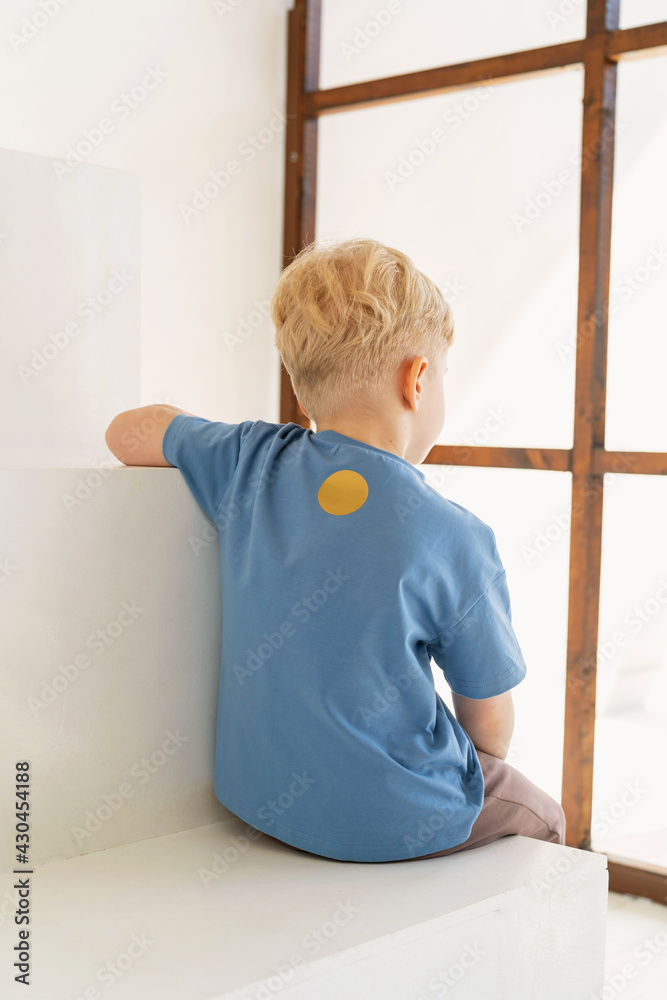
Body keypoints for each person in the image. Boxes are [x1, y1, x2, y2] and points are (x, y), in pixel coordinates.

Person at [105, 236, 565, 863]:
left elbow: (125, 432)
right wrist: (475, 767)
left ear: (302, 392)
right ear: (418, 379)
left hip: (258, 797)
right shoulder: (454, 534)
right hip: (393, 817)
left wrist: (202, 432)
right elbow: (490, 723)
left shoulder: (249, 460)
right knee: (545, 815)